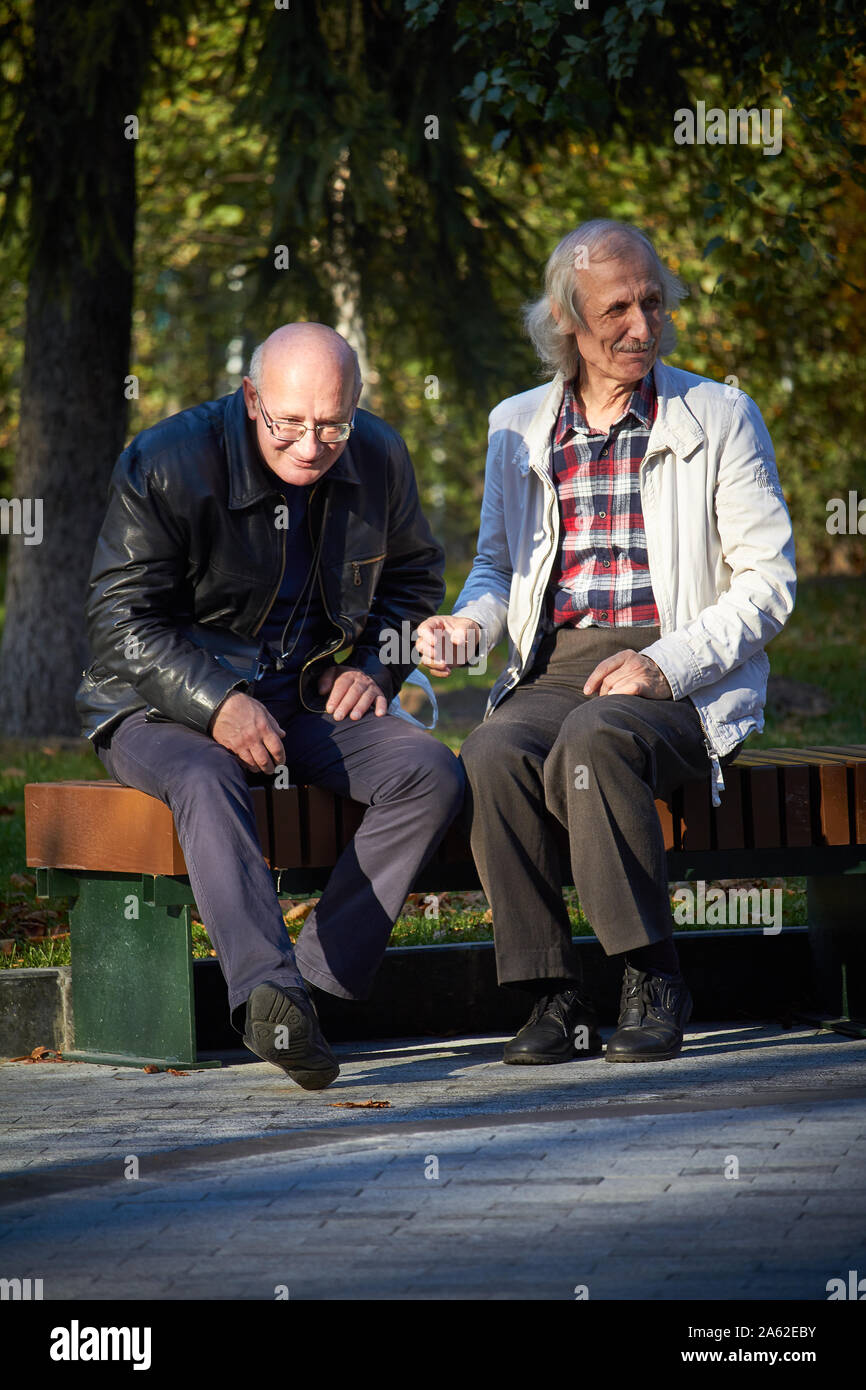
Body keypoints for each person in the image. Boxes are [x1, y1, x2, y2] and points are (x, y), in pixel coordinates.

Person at [415, 219, 796, 1065]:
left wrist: (662, 664)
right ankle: (551, 994)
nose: (640, 326)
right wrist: (466, 627)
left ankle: (651, 975)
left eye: (652, 303)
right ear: (567, 324)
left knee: (595, 739)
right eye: (616, 309)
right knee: (489, 751)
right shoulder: (516, 424)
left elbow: (768, 584)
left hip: (684, 670)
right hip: (554, 665)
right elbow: (496, 566)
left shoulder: (720, 414)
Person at [76, 322, 464, 1089]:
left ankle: (312, 984)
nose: (312, 445)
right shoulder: (168, 461)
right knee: (205, 777)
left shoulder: (380, 456)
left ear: (356, 408)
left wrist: (372, 672)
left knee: (430, 772)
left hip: (306, 699)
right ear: (251, 398)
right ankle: (265, 990)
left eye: (332, 425)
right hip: (158, 705)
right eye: (290, 422)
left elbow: (414, 585)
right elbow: (118, 621)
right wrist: (217, 703)